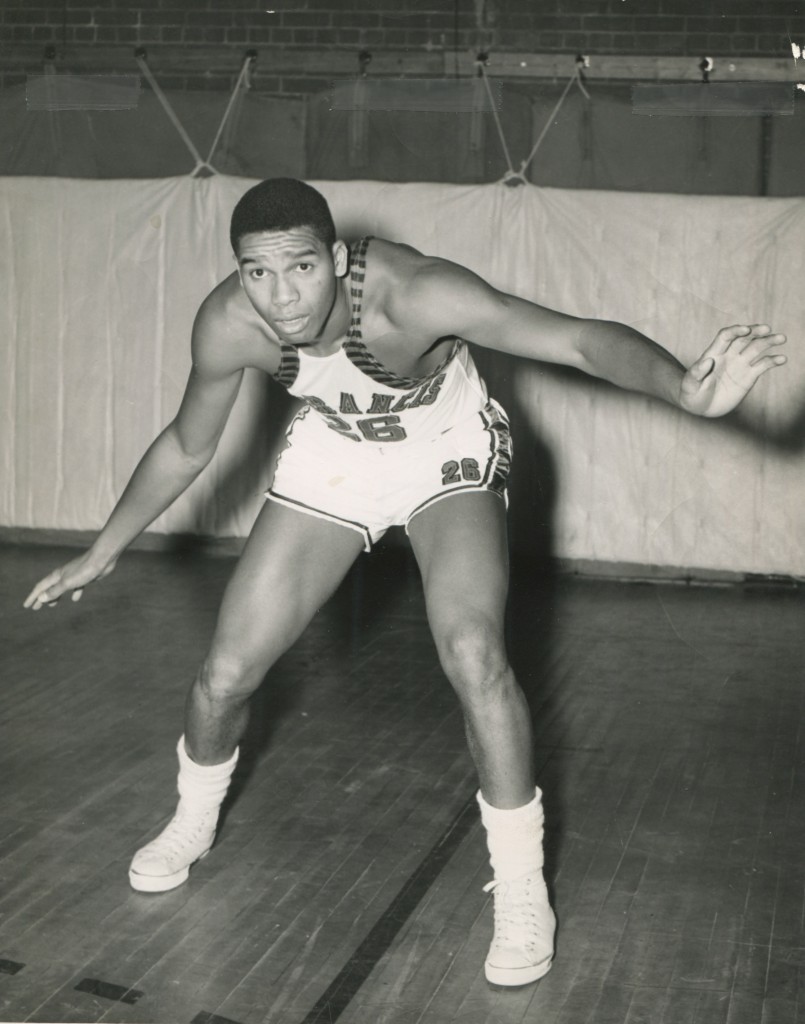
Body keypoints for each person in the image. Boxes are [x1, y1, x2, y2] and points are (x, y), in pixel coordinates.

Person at [24, 178, 786, 988]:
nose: (281, 297)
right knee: (225, 674)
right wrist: (105, 547)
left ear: (339, 258)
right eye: (257, 273)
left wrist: (684, 389)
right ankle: (191, 820)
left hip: (444, 450)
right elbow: (186, 444)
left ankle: (522, 886)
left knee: (472, 652)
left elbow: (574, 341)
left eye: (302, 270)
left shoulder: (416, 294)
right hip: (338, 452)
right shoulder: (228, 324)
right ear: (237, 271)